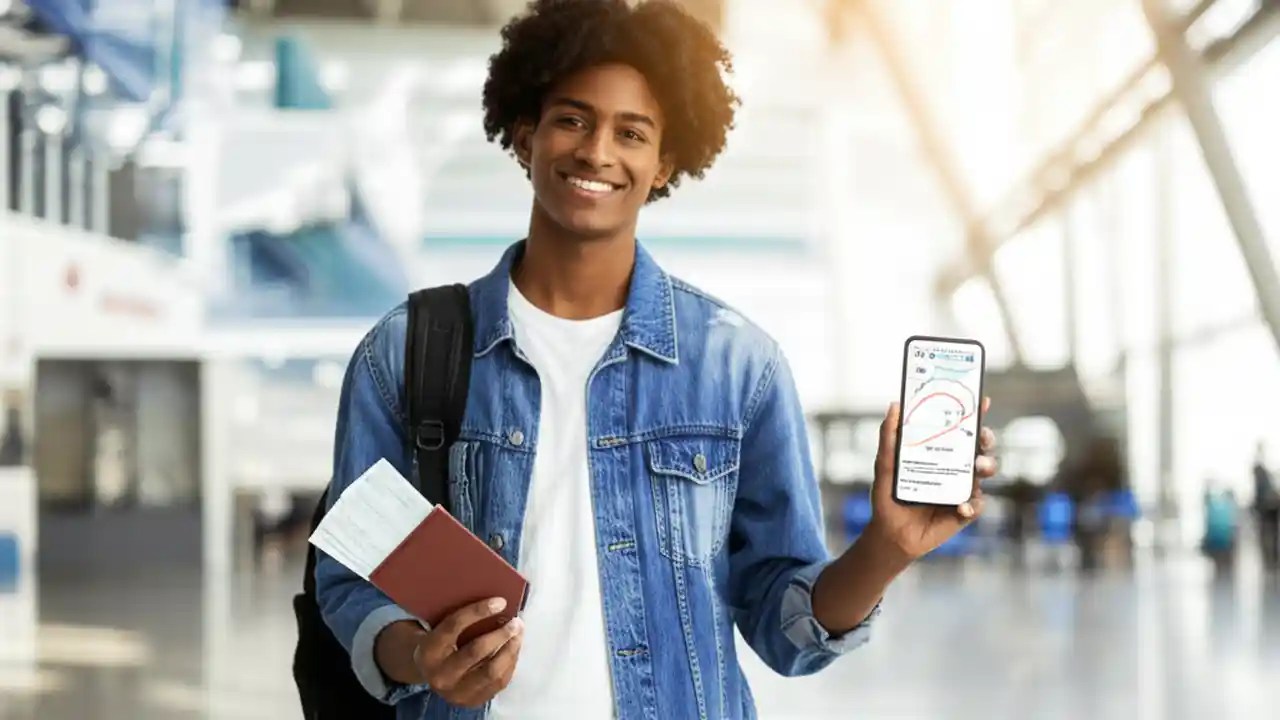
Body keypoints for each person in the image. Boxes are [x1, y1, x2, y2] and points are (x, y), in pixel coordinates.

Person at [314, 2, 999, 718]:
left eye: (631, 132)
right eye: (572, 119)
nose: (597, 152)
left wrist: (886, 548)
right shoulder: (406, 351)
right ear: (526, 134)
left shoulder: (737, 368)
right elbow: (350, 578)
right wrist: (421, 655)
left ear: (664, 161)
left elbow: (783, 626)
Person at [1253, 444, 1279, 568]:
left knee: (1271, 533)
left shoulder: (1266, 471)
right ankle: (1269, 560)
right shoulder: (1259, 470)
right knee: (1267, 533)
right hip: (1265, 508)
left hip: (1270, 508)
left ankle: (1271, 559)